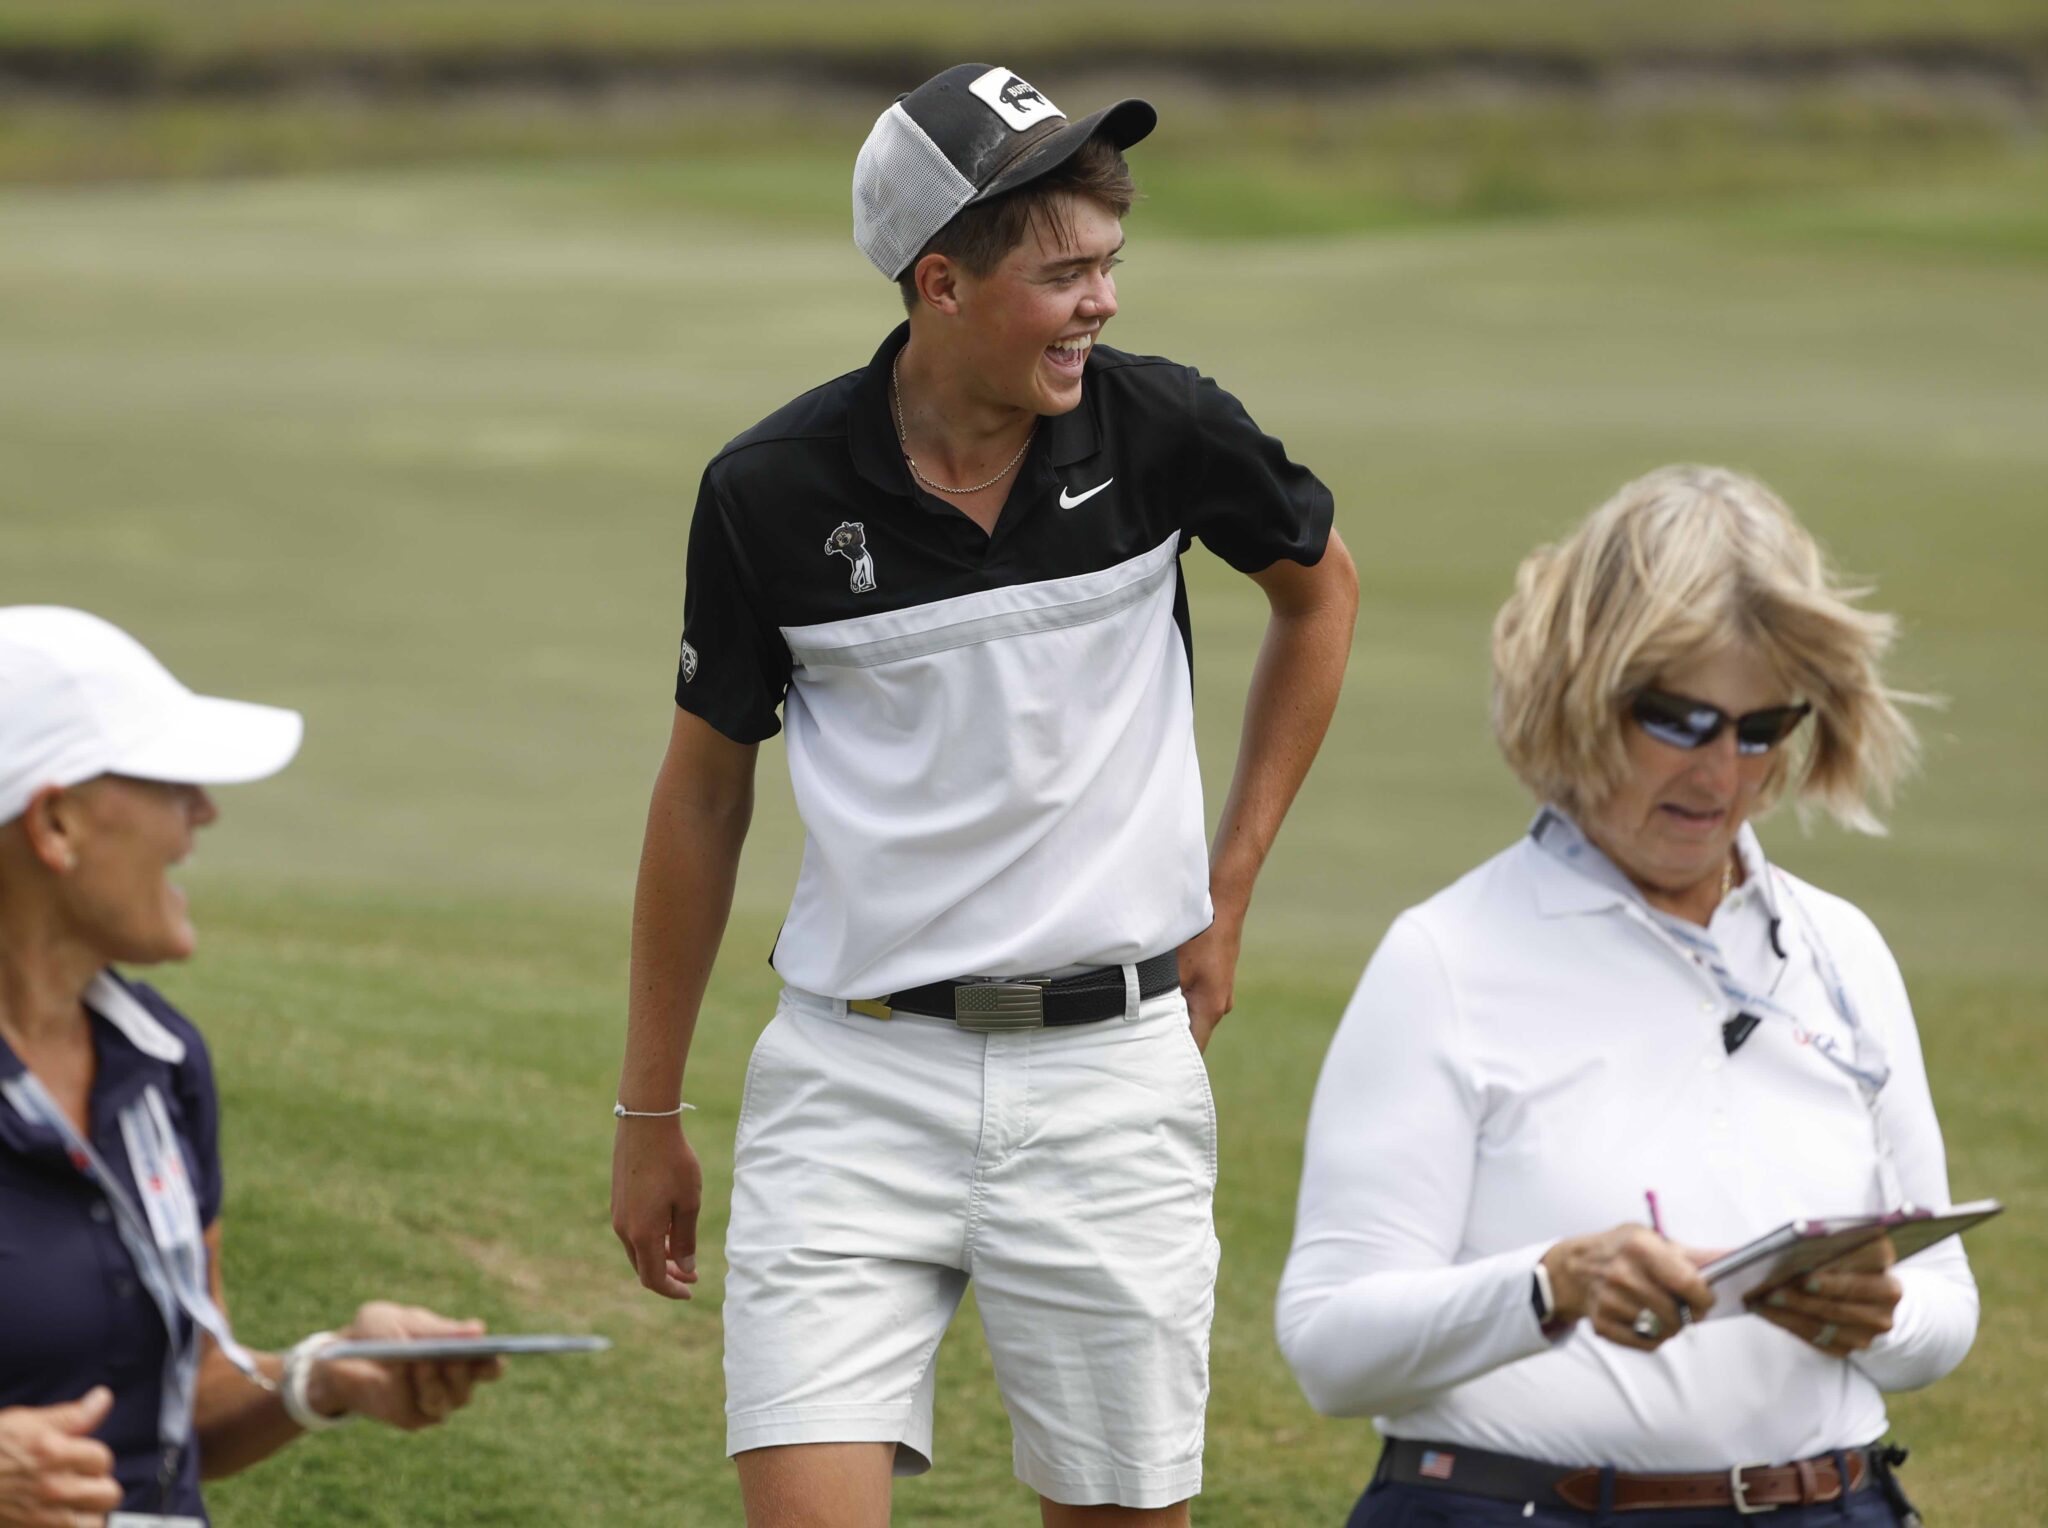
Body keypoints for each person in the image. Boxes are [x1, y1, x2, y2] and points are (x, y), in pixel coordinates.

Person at [610, 62, 1357, 1527]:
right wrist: (650, 1108)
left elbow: (1318, 596)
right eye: (1065, 273)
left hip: (1112, 1085)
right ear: (938, 283)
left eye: (1110, 267)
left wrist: (1231, 887)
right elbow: (703, 798)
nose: (1104, 305)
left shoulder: (1165, 433)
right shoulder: (767, 489)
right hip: (852, 1079)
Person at [1277, 466, 1979, 1527]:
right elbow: (1332, 1348)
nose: (1718, 775)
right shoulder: (1444, 957)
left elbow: (1945, 1313)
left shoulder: (1840, 949)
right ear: (1578, 693)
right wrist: (1549, 1286)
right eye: (1678, 718)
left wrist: (1877, 1313)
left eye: (1759, 728)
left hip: (1832, 1503)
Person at [0, 606, 503, 1526]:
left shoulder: (160, 1060)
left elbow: (176, 1407)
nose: (204, 812)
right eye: (166, 781)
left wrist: (327, 1371)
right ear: (56, 823)